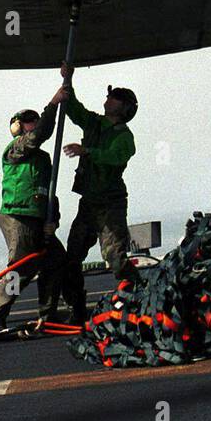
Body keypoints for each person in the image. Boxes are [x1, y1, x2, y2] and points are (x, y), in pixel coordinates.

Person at [55, 62, 139, 325]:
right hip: (89, 203)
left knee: (115, 256)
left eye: (113, 97)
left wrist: (87, 151)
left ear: (123, 107)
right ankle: (77, 308)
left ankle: (138, 298)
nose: (107, 99)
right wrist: (67, 80)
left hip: (110, 205)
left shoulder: (125, 137)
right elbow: (73, 108)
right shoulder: (94, 123)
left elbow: (115, 157)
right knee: (72, 259)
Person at [0, 96, 66, 334]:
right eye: (29, 120)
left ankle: (48, 315)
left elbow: (49, 191)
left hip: (40, 219)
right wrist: (54, 103)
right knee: (20, 268)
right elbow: (39, 135)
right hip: (17, 216)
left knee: (56, 262)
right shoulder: (15, 149)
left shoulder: (43, 158)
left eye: (36, 119)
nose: (34, 123)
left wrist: (53, 220)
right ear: (18, 127)